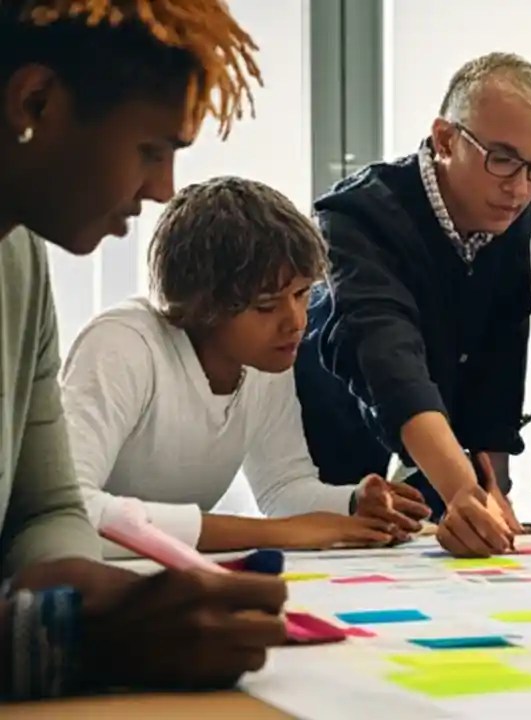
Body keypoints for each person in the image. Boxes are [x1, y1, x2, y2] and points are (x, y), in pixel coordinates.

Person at [0, 0, 288, 700]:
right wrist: (56, 635)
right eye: (150, 151)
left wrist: (94, 596)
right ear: (35, 100)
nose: (162, 190)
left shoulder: (22, 263)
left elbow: (46, 510)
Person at [61, 176, 432, 557]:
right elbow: (67, 513)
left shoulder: (263, 359)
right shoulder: (123, 346)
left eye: (303, 293)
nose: (297, 322)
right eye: (266, 306)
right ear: (204, 306)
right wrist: (277, 534)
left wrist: (352, 502)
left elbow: (283, 488)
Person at [294, 52, 531, 558]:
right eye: (502, 159)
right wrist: (466, 490)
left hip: (440, 440)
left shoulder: (510, 205)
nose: (520, 187)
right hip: (338, 433)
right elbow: (388, 358)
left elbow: (503, 347)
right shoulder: (356, 215)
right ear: (445, 139)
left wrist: (492, 489)